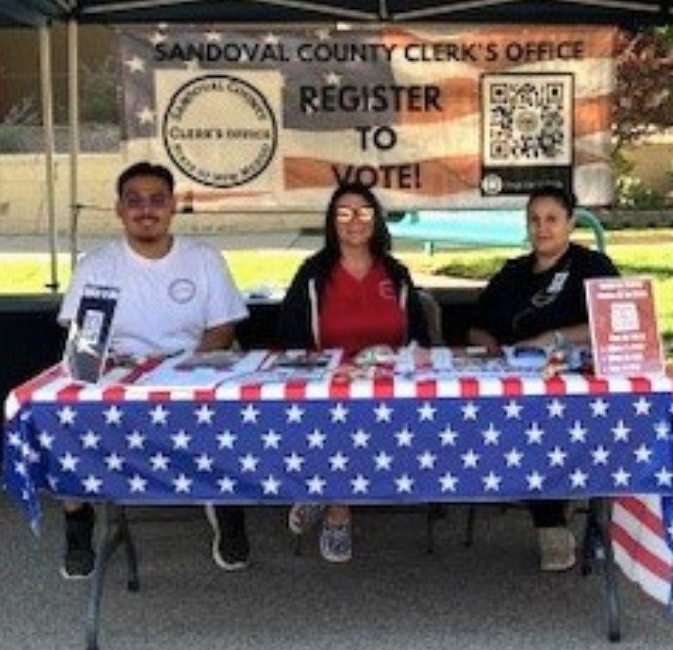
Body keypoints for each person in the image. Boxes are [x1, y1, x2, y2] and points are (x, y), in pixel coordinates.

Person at [57, 161, 251, 579]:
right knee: (64, 419)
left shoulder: (203, 259)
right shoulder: (98, 265)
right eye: (135, 202)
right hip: (122, 380)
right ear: (119, 210)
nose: (147, 210)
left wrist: (180, 372)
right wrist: (111, 378)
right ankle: (78, 522)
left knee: (232, 416)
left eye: (157, 201)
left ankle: (227, 508)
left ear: (173, 207)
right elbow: (86, 344)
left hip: (192, 372)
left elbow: (223, 329)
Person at [467, 183, 619, 572]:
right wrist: (491, 348)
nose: (542, 228)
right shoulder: (513, 272)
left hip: (575, 388)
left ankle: (551, 522)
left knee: (541, 421)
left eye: (552, 219)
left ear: (571, 223)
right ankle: (550, 508)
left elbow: (614, 319)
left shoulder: (593, 268)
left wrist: (553, 339)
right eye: (534, 220)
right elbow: (476, 328)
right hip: (511, 384)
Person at [276, 182, 430, 563]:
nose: (354, 221)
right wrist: (332, 367)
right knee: (341, 413)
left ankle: (322, 492)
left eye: (363, 212)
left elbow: (421, 339)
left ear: (376, 220)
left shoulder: (395, 273)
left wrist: (399, 362)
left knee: (366, 415)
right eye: (343, 213)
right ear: (332, 222)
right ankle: (339, 508)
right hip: (326, 384)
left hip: (389, 387)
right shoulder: (312, 274)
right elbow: (290, 337)